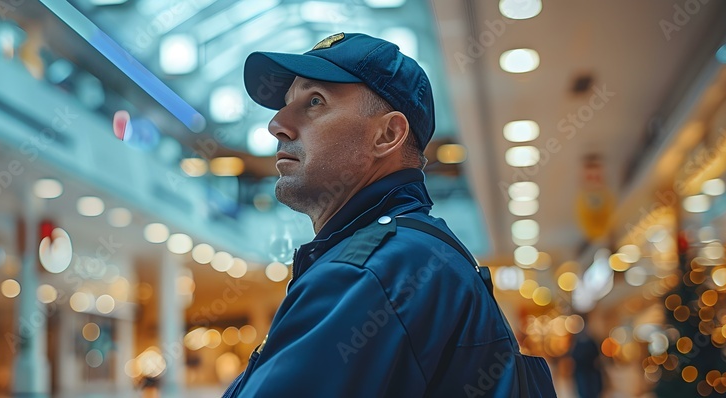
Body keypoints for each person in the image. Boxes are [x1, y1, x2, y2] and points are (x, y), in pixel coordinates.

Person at [223, 32, 525, 397]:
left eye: (314, 101)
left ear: (387, 134)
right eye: (286, 103)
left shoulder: (370, 272)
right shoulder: (417, 251)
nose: (276, 124)